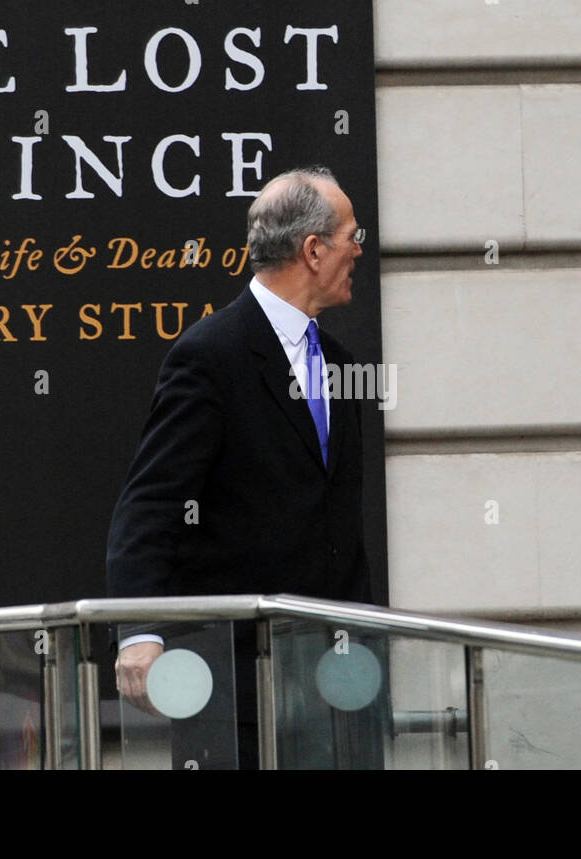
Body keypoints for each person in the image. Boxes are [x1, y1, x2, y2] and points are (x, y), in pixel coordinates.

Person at [105, 165, 375, 768]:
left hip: (341, 681)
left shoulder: (338, 360)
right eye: (353, 236)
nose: (360, 250)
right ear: (312, 250)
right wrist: (140, 632)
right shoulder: (210, 354)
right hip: (239, 686)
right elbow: (151, 501)